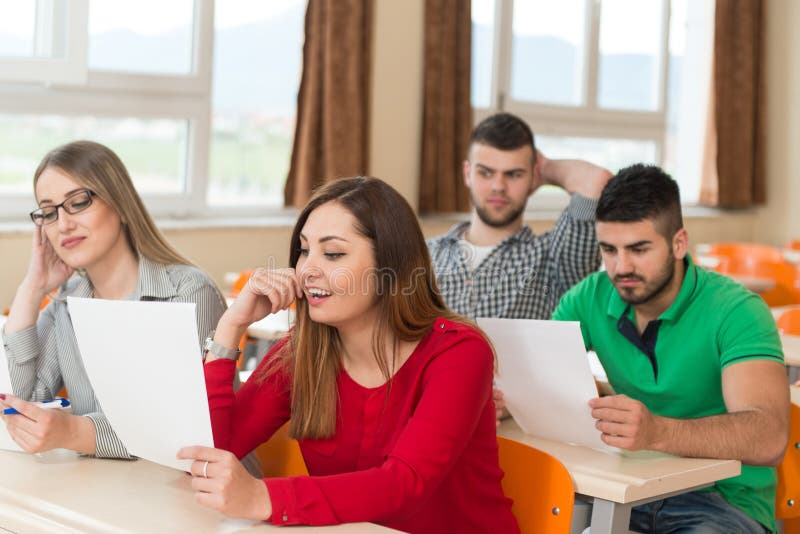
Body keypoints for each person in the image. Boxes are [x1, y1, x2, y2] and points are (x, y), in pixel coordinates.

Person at [177, 177, 520, 533]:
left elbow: (403, 486)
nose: (308, 269)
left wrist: (263, 498)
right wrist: (231, 327)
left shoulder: (459, 353)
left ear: (391, 266)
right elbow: (209, 455)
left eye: (334, 254)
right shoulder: (299, 354)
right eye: (304, 250)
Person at [552, 164, 789, 533]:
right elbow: (542, 377)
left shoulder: (737, 310)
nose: (621, 267)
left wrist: (657, 432)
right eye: (609, 250)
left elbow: (769, 436)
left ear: (679, 243)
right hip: (625, 489)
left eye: (639, 249)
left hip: (723, 501)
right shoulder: (588, 297)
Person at [0, 141, 260, 476]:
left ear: (121, 205)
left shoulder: (187, 292)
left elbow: (176, 430)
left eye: (78, 202)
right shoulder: (66, 303)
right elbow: (20, 407)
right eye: (49, 212)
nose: (62, 224)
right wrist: (31, 289)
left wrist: (76, 432)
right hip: (117, 492)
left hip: (204, 495)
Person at [427, 112, 612, 320]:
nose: (499, 186)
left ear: (533, 176)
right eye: (486, 173)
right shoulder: (424, 255)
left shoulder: (553, 259)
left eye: (514, 174)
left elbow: (598, 182)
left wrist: (546, 169)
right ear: (467, 173)